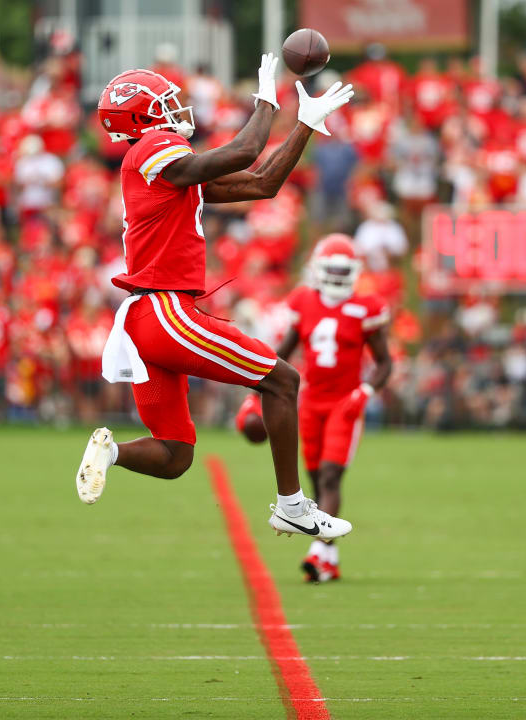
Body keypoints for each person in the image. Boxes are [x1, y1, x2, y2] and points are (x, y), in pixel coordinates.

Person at [79, 55, 356, 540]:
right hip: (166, 311)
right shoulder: (153, 148)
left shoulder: (167, 171)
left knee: (174, 455)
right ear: (141, 119)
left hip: (147, 319)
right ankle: (291, 505)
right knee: (283, 380)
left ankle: (111, 451)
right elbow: (245, 151)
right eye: (163, 104)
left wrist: (305, 126)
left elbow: (262, 184)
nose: (174, 110)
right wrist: (267, 98)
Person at [241, 235, 392, 582]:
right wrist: (256, 391)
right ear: (319, 270)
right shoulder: (302, 301)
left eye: (344, 270)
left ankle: (318, 553)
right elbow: (280, 354)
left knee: (330, 475)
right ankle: (330, 557)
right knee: (311, 477)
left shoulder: (367, 307)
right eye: (333, 269)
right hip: (309, 401)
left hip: (345, 403)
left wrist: (366, 391)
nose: (338, 276)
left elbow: (384, 363)